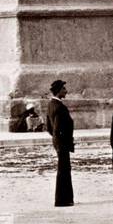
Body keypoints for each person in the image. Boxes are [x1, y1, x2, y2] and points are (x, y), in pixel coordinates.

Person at [46, 79, 74, 207]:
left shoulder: (51, 104)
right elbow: (57, 128)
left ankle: (65, 199)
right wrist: (62, 141)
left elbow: (49, 127)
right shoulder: (59, 107)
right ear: (58, 91)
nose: (66, 91)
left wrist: (56, 139)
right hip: (62, 143)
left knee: (63, 170)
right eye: (64, 89)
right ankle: (62, 200)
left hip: (58, 142)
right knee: (64, 171)